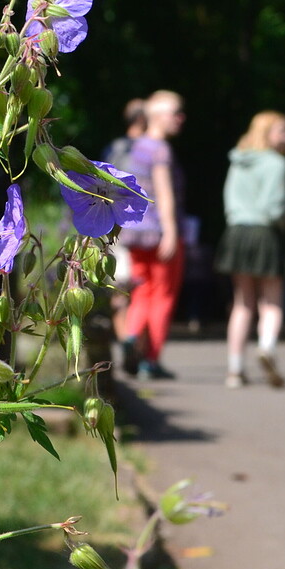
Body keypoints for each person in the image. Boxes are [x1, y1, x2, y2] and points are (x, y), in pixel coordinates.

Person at [215, 111, 285, 389]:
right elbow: (273, 206)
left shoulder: (238, 160)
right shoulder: (276, 163)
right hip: (265, 232)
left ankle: (235, 370)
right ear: (266, 132)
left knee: (242, 302)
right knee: (271, 301)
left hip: (237, 231)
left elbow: (229, 198)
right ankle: (266, 347)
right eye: (282, 131)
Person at [117, 90, 186, 381]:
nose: (181, 119)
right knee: (163, 297)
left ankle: (131, 337)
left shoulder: (136, 147)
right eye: (175, 113)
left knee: (142, 293)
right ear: (157, 117)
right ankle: (151, 360)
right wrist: (171, 231)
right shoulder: (161, 149)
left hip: (134, 233)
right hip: (159, 234)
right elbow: (164, 194)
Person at [105, 99, 146, 374]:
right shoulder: (149, 148)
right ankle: (133, 343)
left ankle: (125, 339)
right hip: (140, 229)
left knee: (119, 290)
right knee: (141, 291)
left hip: (112, 226)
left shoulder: (114, 148)